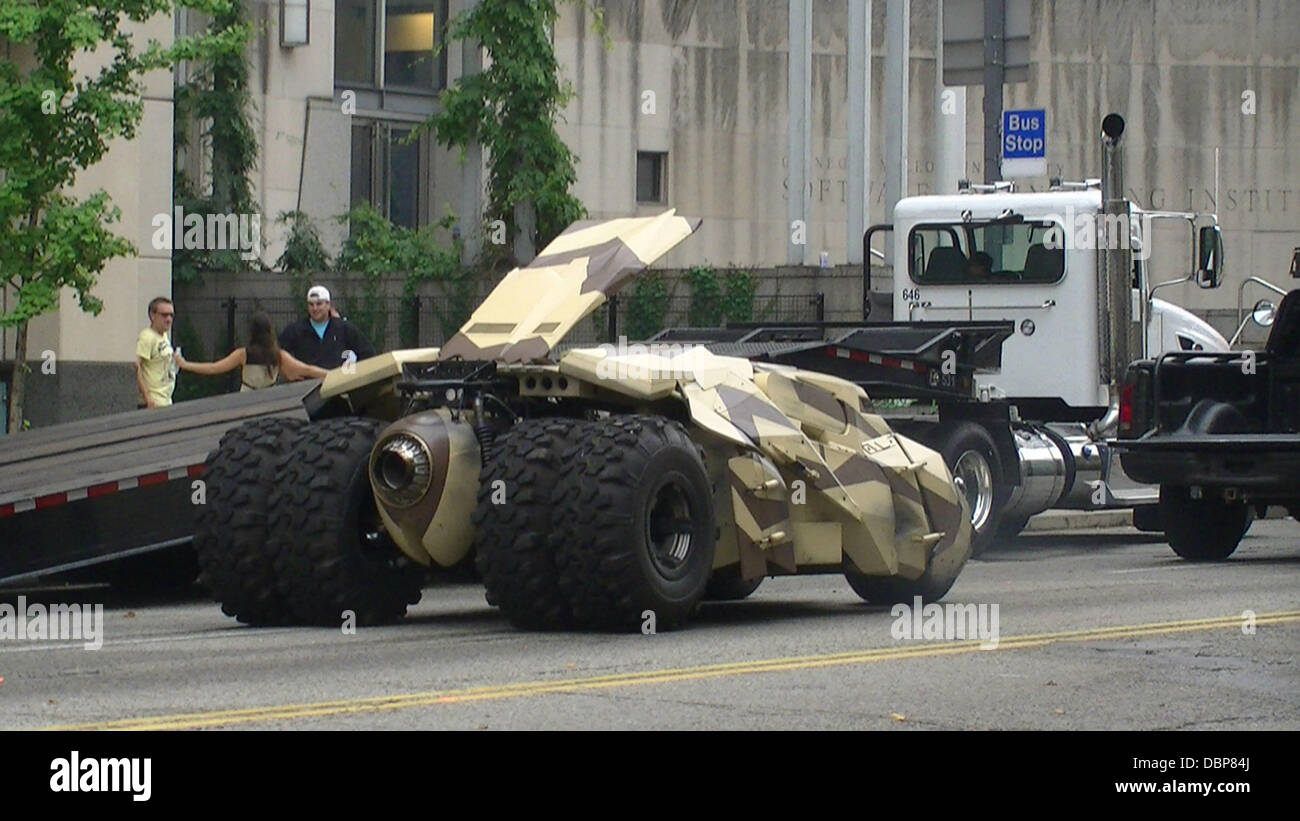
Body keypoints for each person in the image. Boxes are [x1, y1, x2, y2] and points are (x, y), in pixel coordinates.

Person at [175, 313, 328, 390]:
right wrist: (333, 374)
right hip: (270, 396)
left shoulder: (243, 354)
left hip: (247, 395)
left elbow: (214, 368)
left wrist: (185, 364)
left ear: (252, 331)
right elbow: (308, 369)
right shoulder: (278, 355)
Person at [277, 285, 376, 371]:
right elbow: (277, 353)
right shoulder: (296, 330)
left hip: (337, 382)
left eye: (319, 304)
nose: (315, 308)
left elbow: (367, 353)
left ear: (328, 305)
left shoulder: (343, 328)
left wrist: (353, 372)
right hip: (306, 384)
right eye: (311, 304)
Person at [136, 297, 176, 409]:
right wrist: (147, 398)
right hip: (153, 402)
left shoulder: (164, 336)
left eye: (171, 315)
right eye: (164, 315)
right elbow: (137, 366)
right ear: (152, 316)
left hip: (166, 400)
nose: (168, 319)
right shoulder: (147, 337)